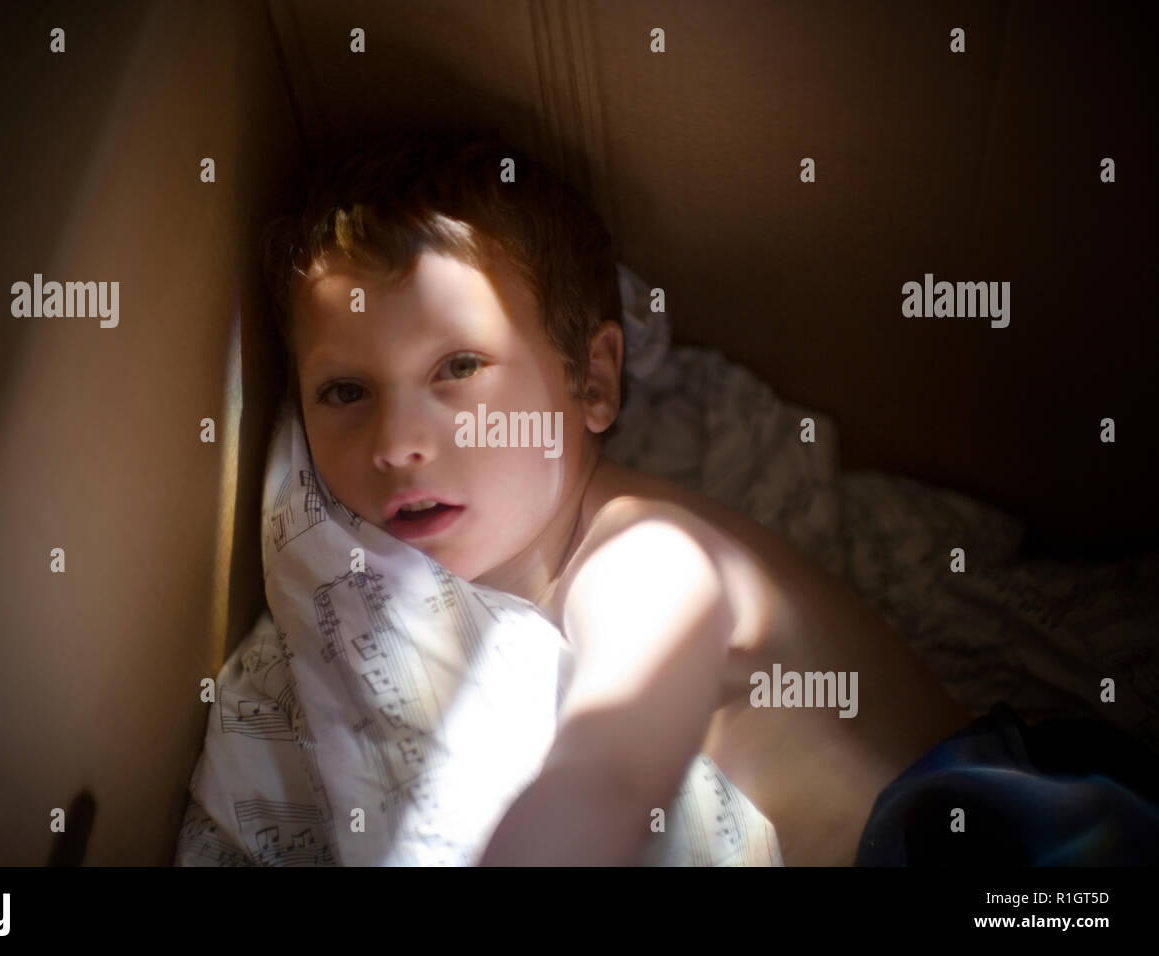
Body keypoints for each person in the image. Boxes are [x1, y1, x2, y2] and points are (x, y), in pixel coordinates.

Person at [262, 127, 1158, 866]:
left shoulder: (644, 558)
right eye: (345, 392)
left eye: (458, 367)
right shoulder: (438, 603)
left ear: (594, 381)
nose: (396, 444)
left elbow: (604, 776)